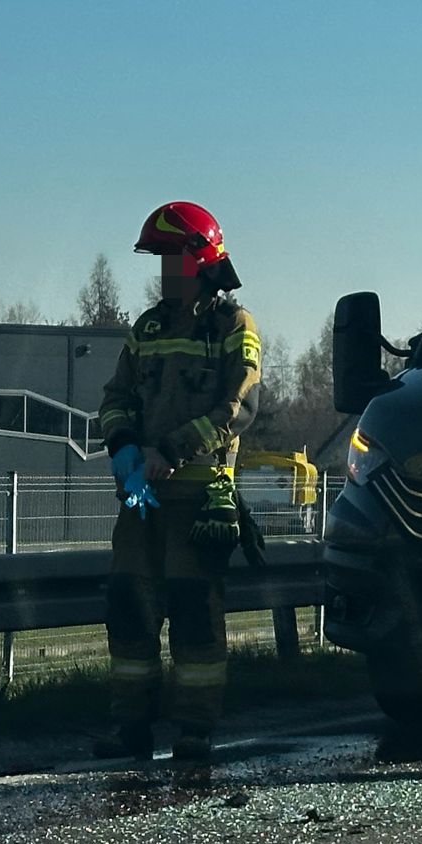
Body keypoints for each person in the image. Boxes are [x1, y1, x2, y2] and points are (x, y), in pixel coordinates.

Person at [94, 201, 262, 765]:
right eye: (158, 258)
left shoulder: (233, 327)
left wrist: (171, 449)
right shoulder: (147, 328)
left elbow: (238, 408)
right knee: (129, 605)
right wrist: (122, 446)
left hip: (198, 498)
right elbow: (116, 398)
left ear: (202, 258)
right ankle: (130, 725)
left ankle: (193, 730)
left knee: (194, 614)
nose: (164, 270)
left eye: (171, 257)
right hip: (142, 495)